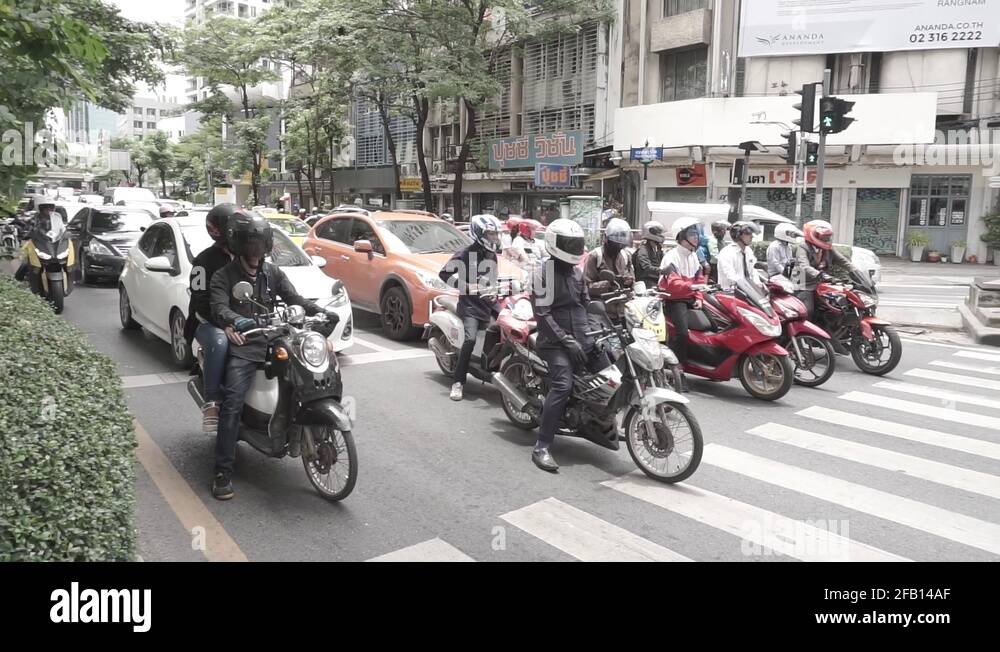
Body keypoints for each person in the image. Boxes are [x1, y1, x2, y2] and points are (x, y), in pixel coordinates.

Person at [208, 211, 339, 500]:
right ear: (240, 244)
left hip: (276, 336)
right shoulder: (224, 276)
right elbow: (218, 307)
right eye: (251, 242)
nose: (257, 248)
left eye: (261, 242)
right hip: (246, 344)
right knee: (232, 404)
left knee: (306, 372)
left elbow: (294, 298)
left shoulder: (272, 272)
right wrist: (235, 320)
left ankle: (296, 423)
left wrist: (319, 311)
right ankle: (222, 472)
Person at [529, 218, 592, 472]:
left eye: (576, 243)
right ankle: (542, 446)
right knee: (563, 385)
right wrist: (566, 340)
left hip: (582, 336)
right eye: (568, 244)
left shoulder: (577, 272)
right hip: (553, 342)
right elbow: (542, 315)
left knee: (611, 371)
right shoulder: (542, 273)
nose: (574, 249)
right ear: (554, 244)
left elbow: (586, 304)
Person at [184, 203, 238, 434]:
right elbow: (200, 302)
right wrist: (225, 324)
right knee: (219, 342)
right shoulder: (203, 261)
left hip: (241, 321)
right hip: (207, 322)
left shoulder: (250, 255)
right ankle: (212, 403)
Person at [438, 214, 503, 401]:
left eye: (495, 234)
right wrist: (467, 287)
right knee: (470, 340)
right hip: (470, 307)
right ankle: (458, 383)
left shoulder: (492, 255)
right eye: (490, 234)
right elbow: (444, 274)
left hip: (488, 303)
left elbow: (492, 280)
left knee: (510, 327)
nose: (494, 238)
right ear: (480, 233)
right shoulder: (465, 253)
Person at [659, 217, 706, 392]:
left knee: (717, 325)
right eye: (692, 234)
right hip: (675, 300)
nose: (696, 237)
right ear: (681, 236)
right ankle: (678, 372)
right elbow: (672, 284)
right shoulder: (671, 257)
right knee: (682, 334)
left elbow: (700, 278)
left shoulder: (693, 256)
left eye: (696, 233)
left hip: (692, 298)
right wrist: (692, 287)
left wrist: (700, 297)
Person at [795, 219, 857, 318]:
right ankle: (805, 332)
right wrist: (821, 274)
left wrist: (856, 271)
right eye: (824, 237)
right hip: (804, 284)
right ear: (812, 235)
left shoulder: (828, 248)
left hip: (822, 283)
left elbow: (843, 261)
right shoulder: (803, 247)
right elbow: (804, 266)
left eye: (828, 237)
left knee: (839, 305)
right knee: (808, 311)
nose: (826, 239)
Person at [584, 217, 634, 297]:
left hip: (622, 303)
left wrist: (629, 282)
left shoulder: (626, 256)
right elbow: (585, 286)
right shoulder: (595, 256)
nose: (618, 247)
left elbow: (632, 279)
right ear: (606, 239)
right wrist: (608, 284)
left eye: (622, 245)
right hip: (600, 304)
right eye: (615, 244)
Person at [716, 221, 761, 292]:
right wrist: (746, 286)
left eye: (751, 233)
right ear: (738, 235)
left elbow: (753, 271)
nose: (751, 236)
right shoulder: (727, 252)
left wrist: (758, 284)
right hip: (730, 293)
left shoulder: (748, 251)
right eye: (748, 233)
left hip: (749, 293)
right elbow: (730, 276)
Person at [632, 221, 666, 286]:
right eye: (657, 232)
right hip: (645, 283)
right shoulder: (643, 250)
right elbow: (646, 267)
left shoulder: (656, 250)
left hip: (655, 281)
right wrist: (661, 271)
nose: (659, 234)